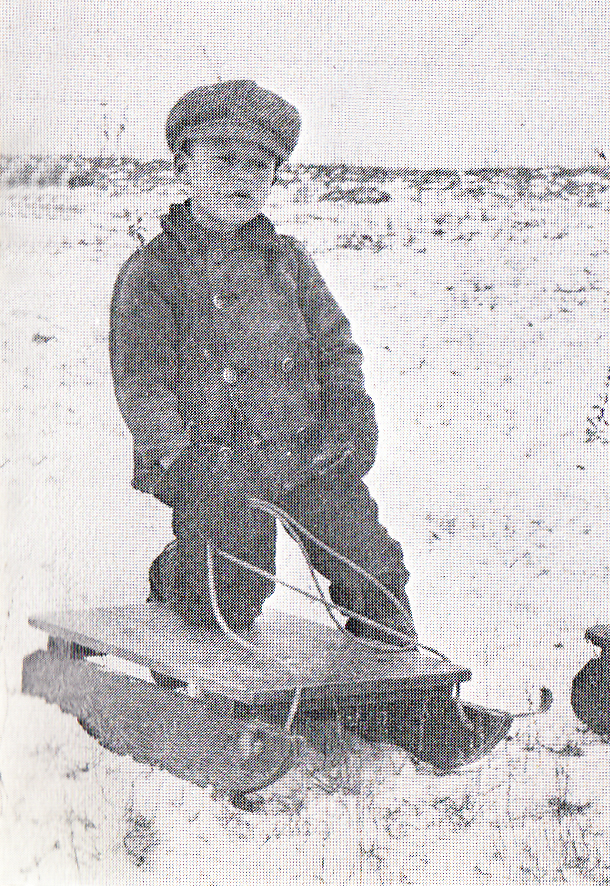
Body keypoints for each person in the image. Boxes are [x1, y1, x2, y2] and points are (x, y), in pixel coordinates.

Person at [110, 80, 415, 642]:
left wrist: (348, 416)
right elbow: (142, 378)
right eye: (225, 160)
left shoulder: (289, 264)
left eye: (262, 166)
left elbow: (335, 348)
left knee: (369, 563)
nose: (244, 179)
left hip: (306, 449)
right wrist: (175, 453)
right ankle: (180, 601)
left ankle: (395, 676)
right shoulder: (153, 272)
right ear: (183, 165)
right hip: (212, 462)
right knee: (232, 587)